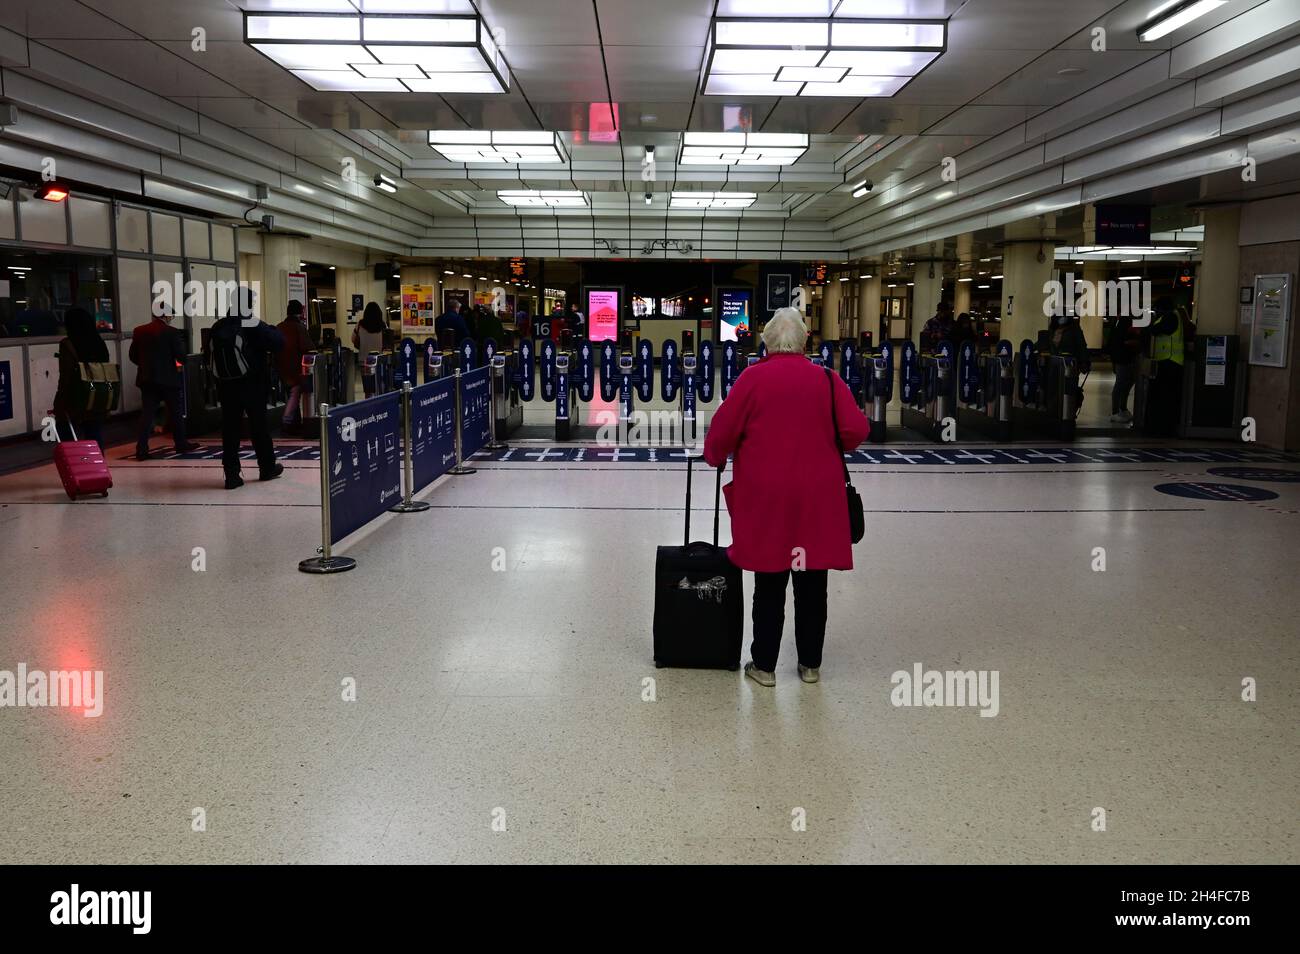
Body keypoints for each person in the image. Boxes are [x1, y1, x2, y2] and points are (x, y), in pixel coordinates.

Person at [703, 307, 870, 687]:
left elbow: (722, 434)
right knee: (812, 582)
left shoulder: (752, 379)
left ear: (766, 343)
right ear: (805, 341)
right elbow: (856, 431)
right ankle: (810, 665)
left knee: (770, 581)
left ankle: (764, 666)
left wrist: (714, 455)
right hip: (816, 500)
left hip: (768, 501)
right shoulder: (827, 380)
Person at [207, 287, 284, 490]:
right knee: (259, 427)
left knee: (230, 429)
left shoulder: (218, 326)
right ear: (248, 304)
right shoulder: (253, 323)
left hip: (226, 386)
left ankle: (231, 475)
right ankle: (266, 467)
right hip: (253, 385)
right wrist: (274, 330)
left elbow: (208, 354)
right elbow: (277, 342)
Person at [129, 301, 200, 460]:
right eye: (171, 315)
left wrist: (146, 367)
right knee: (175, 412)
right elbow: (181, 357)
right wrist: (177, 365)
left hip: (147, 379)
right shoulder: (172, 332)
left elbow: (133, 356)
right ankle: (181, 444)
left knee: (147, 414)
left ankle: (141, 450)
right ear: (166, 315)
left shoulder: (139, 331)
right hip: (168, 379)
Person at [52, 306, 112, 447]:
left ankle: (78, 465)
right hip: (98, 396)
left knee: (65, 432)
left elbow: (65, 376)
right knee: (94, 434)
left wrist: (59, 403)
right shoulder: (99, 342)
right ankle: (97, 465)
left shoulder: (68, 344)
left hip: (77, 398)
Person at [1144, 297, 1184, 437]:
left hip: (1171, 362)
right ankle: (1159, 428)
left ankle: (1162, 429)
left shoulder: (1171, 317)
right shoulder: (1170, 316)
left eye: (1157, 309)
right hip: (1165, 362)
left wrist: (1150, 325)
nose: (1156, 312)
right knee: (1162, 398)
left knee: (1164, 399)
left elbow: (1156, 330)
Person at [277, 299, 314, 433]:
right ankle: (286, 421)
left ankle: (295, 422)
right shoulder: (299, 328)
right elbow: (308, 347)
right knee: (295, 393)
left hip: (281, 367)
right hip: (296, 368)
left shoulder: (279, 327)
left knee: (291, 393)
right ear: (300, 312)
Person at [1107, 315, 1140, 424]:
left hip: (1123, 357)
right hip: (1123, 358)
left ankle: (1122, 408)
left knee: (1127, 382)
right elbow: (1124, 341)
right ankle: (1116, 411)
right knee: (1121, 383)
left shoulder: (1119, 323)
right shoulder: (1125, 322)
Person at [352, 302, 387, 398]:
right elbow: (387, 341)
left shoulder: (360, 324)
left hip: (364, 361)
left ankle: (368, 403)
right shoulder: (383, 325)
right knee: (379, 386)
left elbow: (353, 339)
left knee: (367, 388)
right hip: (379, 361)